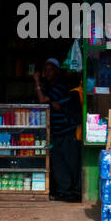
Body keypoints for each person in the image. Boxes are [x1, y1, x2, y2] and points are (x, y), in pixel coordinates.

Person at [34, 57, 82, 202]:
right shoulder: (48, 87)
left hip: (68, 132)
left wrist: (36, 82)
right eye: (45, 70)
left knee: (72, 163)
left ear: (56, 71)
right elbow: (44, 101)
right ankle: (64, 192)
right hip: (55, 132)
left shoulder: (60, 86)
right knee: (59, 164)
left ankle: (75, 192)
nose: (46, 73)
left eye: (49, 70)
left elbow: (42, 100)